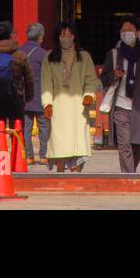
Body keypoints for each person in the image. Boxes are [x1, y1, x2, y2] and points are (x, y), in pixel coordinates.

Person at [100, 15, 140, 173]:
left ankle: (129, 173)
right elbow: (104, 79)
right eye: (124, 30)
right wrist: (114, 75)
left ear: (137, 32)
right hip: (121, 107)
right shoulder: (114, 54)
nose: (127, 33)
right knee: (125, 145)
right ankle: (128, 178)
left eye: (130, 30)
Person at [39, 21, 99, 172]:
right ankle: (60, 174)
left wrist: (89, 95)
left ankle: (76, 173)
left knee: (79, 143)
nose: (66, 38)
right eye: (63, 35)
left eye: (69, 35)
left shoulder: (84, 57)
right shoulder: (49, 57)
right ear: (58, 37)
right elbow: (46, 82)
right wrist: (47, 104)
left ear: (75, 36)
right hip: (58, 107)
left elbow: (91, 80)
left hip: (79, 107)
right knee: (59, 143)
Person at [0, 21, 33, 145]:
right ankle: (16, 158)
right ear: (10, 35)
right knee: (17, 129)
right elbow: (29, 79)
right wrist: (28, 97)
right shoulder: (20, 55)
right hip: (15, 97)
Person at [20, 23, 50, 165]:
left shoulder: (19, 52)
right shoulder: (43, 54)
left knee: (26, 128)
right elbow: (48, 76)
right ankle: (44, 155)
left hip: (24, 97)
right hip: (40, 96)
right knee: (43, 127)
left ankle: (28, 156)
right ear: (41, 37)